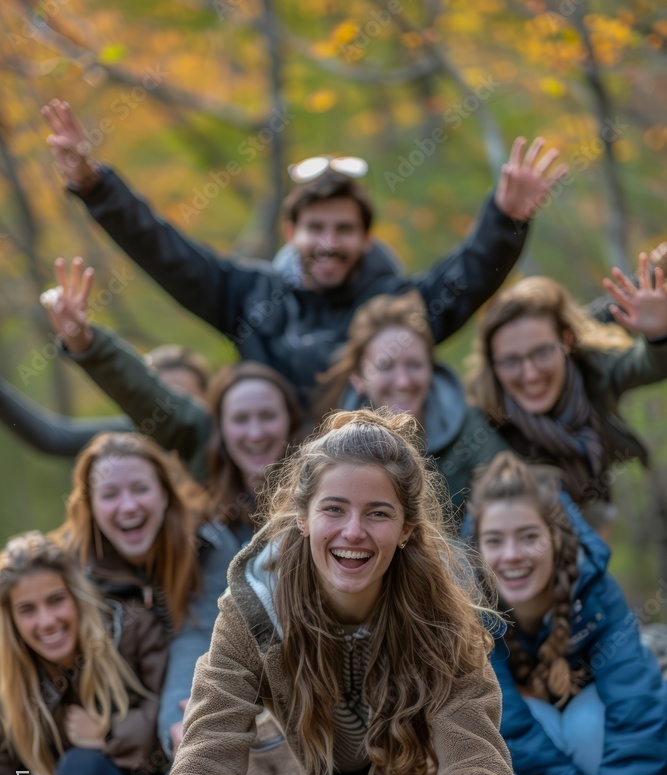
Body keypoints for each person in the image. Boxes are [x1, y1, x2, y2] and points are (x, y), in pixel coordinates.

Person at [126, 408, 528, 775]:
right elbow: (210, 744)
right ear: (301, 516)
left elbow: (474, 756)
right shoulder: (253, 607)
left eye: (378, 514)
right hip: (291, 769)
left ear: (408, 528)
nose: (353, 532)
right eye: (333, 510)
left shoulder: (441, 617)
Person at [43, 99, 567, 405]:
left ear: (366, 237)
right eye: (315, 228)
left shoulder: (400, 309)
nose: (328, 243)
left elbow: (472, 274)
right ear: (290, 231)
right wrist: (94, 185)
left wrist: (507, 218)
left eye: (343, 229)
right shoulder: (247, 297)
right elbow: (165, 251)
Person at [467, 452, 667, 775]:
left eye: (528, 536)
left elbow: (641, 714)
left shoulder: (594, 591)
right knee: (503, 734)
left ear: (555, 538)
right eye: (495, 540)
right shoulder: (468, 606)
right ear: (477, 548)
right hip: (529, 746)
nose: (511, 555)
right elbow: (511, 726)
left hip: (585, 734)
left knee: (590, 718)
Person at [39, 259, 302, 534]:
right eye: (240, 419)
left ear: (291, 420)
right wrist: (84, 341)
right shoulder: (194, 517)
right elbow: (141, 391)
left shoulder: (319, 482)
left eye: (268, 416)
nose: (255, 432)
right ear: (219, 427)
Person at [58, 431, 238, 775]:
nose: (128, 506)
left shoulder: (206, 546)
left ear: (165, 494)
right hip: (116, 749)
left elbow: (196, 640)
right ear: (90, 506)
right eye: (109, 494)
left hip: (179, 731)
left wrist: (177, 721)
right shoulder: (72, 571)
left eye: (140, 488)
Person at [466, 254, 667, 534]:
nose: (531, 374)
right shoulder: (480, 423)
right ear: (493, 363)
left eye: (542, 353)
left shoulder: (593, 371)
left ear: (566, 341)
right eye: (511, 361)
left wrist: (658, 334)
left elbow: (649, 364)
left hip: (593, 523)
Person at [0, 531, 162, 775]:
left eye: (56, 600)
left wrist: (108, 733)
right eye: (27, 610)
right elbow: (12, 770)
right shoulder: (14, 678)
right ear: (11, 619)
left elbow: (169, 711)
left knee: (80, 771)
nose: (47, 622)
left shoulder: (127, 627)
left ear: (75, 593)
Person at [319, 289, 512, 514]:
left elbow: (521, 489)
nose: (403, 382)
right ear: (359, 379)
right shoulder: (332, 446)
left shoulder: (468, 426)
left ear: (431, 369)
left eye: (414, 365)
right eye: (386, 366)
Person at [0, 264, 210, 462]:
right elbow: (53, 438)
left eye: (182, 400)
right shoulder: (133, 436)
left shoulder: (228, 449)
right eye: (155, 398)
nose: (170, 414)